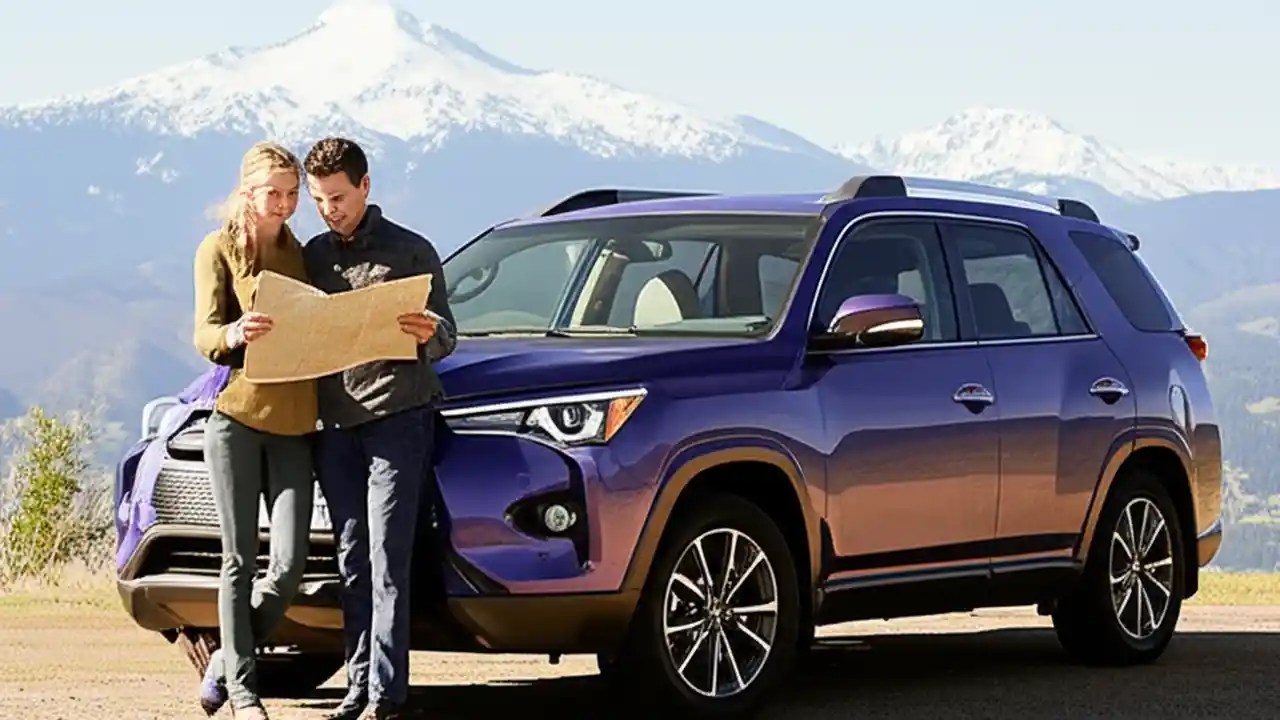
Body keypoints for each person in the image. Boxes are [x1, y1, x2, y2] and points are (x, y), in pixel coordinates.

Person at [300, 136, 457, 720]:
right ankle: (356, 683)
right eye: (319, 200)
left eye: (338, 197)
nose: (329, 209)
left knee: (389, 555)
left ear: (365, 187)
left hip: (398, 418)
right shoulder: (311, 257)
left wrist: (428, 333)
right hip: (334, 424)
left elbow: (448, 337)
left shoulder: (412, 252)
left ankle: (386, 695)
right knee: (351, 556)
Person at [191, 141, 319, 720]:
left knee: (288, 567)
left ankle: (224, 660)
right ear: (247, 192)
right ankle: (244, 692)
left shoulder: (305, 256)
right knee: (239, 560)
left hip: (295, 426)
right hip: (237, 420)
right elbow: (206, 334)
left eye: (294, 194)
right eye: (275, 193)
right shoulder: (217, 249)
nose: (286, 204)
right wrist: (237, 334)